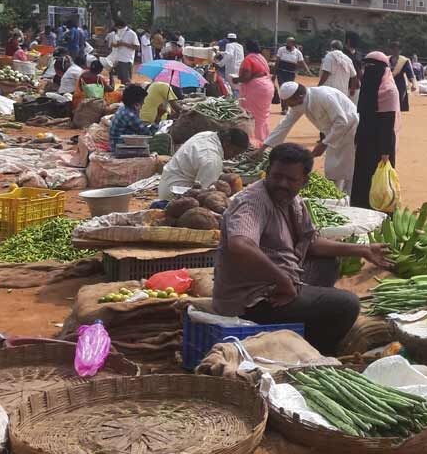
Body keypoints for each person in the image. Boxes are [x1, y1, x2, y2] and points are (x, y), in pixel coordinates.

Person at [213, 143, 392, 354]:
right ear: (267, 171)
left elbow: (312, 243)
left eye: (290, 179)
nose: (282, 183)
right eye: (277, 176)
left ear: (304, 181)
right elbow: (240, 245)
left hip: (280, 283)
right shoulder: (252, 202)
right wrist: (283, 280)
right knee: (347, 304)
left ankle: (303, 330)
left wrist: (362, 250)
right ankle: (314, 353)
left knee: (328, 263)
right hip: (253, 300)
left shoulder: (293, 201)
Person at [256, 83, 359, 192]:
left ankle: (347, 198)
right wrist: (263, 148)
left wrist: (324, 143)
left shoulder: (323, 96)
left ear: (299, 96)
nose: (288, 105)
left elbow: (342, 121)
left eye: (289, 102)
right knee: (333, 169)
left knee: (348, 169)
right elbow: (285, 124)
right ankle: (338, 194)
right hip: (333, 134)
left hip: (350, 130)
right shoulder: (299, 104)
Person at [351, 51, 400, 209]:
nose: (368, 70)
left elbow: (387, 125)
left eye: (373, 67)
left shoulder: (389, 91)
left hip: (381, 145)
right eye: (367, 66)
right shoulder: (368, 86)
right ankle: (360, 208)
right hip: (365, 139)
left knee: (379, 181)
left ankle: (380, 214)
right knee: (362, 177)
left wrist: (385, 152)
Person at [158, 128, 250, 199]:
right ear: (226, 144)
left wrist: (220, 169)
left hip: (166, 184)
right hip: (174, 195)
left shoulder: (207, 135)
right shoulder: (212, 159)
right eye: (234, 152)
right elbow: (205, 194)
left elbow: (198, 160)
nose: (233, 157)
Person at [238, 40, 276, 144]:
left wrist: (236, 80)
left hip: (256, 88)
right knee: (263, 116)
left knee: (252, 116)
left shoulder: (249, 58)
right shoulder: (261, 58)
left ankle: (254, 141)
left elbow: (246, 77)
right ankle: (265, 140)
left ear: (247, 48)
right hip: (267, 86)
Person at [109, 84, 157, 151]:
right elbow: (148, 134)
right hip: (122, 149)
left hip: (116, 145)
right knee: (160, 141)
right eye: (142, 101)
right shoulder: (130, 114)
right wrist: (158, 118)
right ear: (136, 104)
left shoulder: (123, 109)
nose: (143, 103)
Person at [275, 37, 311, 113]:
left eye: (289, 42)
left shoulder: (297, 52)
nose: (287, 44)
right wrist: (274, 73)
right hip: (281, 72)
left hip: (291, 74)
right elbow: (277, 61)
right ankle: (284, 108)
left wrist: (308, 71)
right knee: (282, 88)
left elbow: (302, 62)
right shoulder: (281, 49)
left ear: (293, 44)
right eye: (286, 42)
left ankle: (286, 107)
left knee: (288, 90)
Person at [388, 41, 417, 112]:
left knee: (398, 104)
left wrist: (414, 84)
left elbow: (410, 73)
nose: (395, 51)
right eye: (393, 49)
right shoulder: (386, 59)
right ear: (390, 50)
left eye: (397, 49)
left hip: (399, 85)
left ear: (400, 51)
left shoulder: (404, 61)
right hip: (388, 84)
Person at [108, 19, 137, 85]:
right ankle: (124, 92)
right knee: (121, 79)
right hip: (118, 58)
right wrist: (115, 45)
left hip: (126, 59)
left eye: (118, 28)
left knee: (126, 80)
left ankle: (128, 92)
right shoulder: (119, 33)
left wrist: (124, 44)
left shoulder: (132, 34)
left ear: (122, 27)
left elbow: (137, 47)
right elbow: (118, 45)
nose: (117, 29)